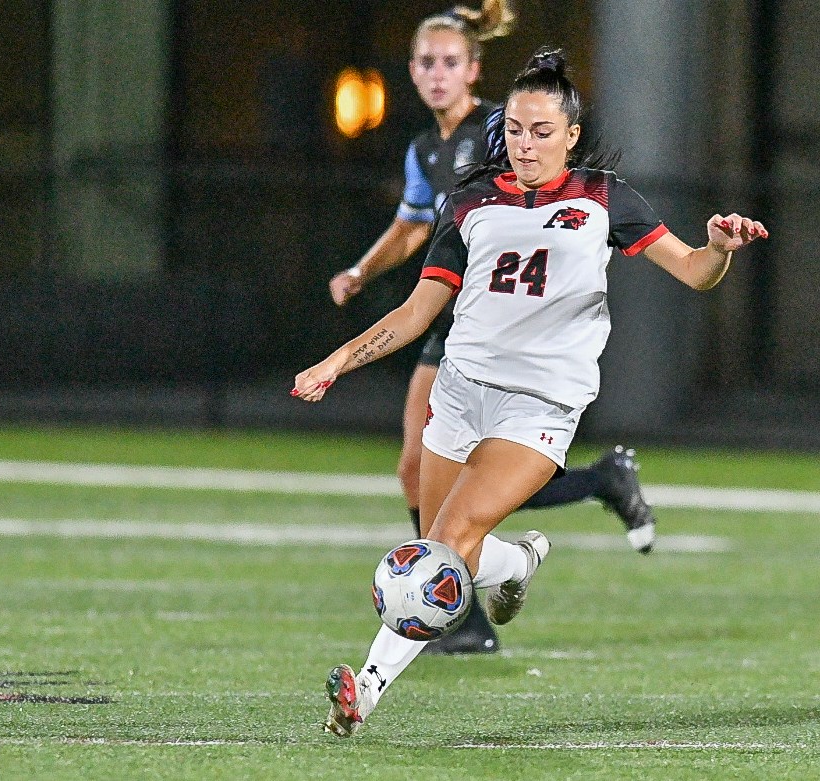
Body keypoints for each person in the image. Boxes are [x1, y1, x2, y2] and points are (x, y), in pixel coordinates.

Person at [294, 47, 766, 737]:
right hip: (460, 392)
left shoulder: (603, 197)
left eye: (542, 131)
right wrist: (337, 362)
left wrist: (718, 247)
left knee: (444, 545)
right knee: (447, 543)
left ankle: (363, 692)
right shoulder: (471, 202)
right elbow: (418, 313)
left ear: (571, 134)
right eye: (514, 129)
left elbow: (694, 271)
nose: (525, 143)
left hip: (540, 404)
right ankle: (516, 562)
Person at [328, 2, 657, 656]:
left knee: (475, 482)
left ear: (474, 69)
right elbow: (413, 225)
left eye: (450, 62)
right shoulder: (425, 148)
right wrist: (363, 270)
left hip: (500, 332)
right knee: (416, 469)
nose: (437, 74)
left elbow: (546, 189)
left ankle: (462, 609)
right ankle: (466, 602)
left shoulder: (498, 130)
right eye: (426, 62)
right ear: (411, 71)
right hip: (448, 322)